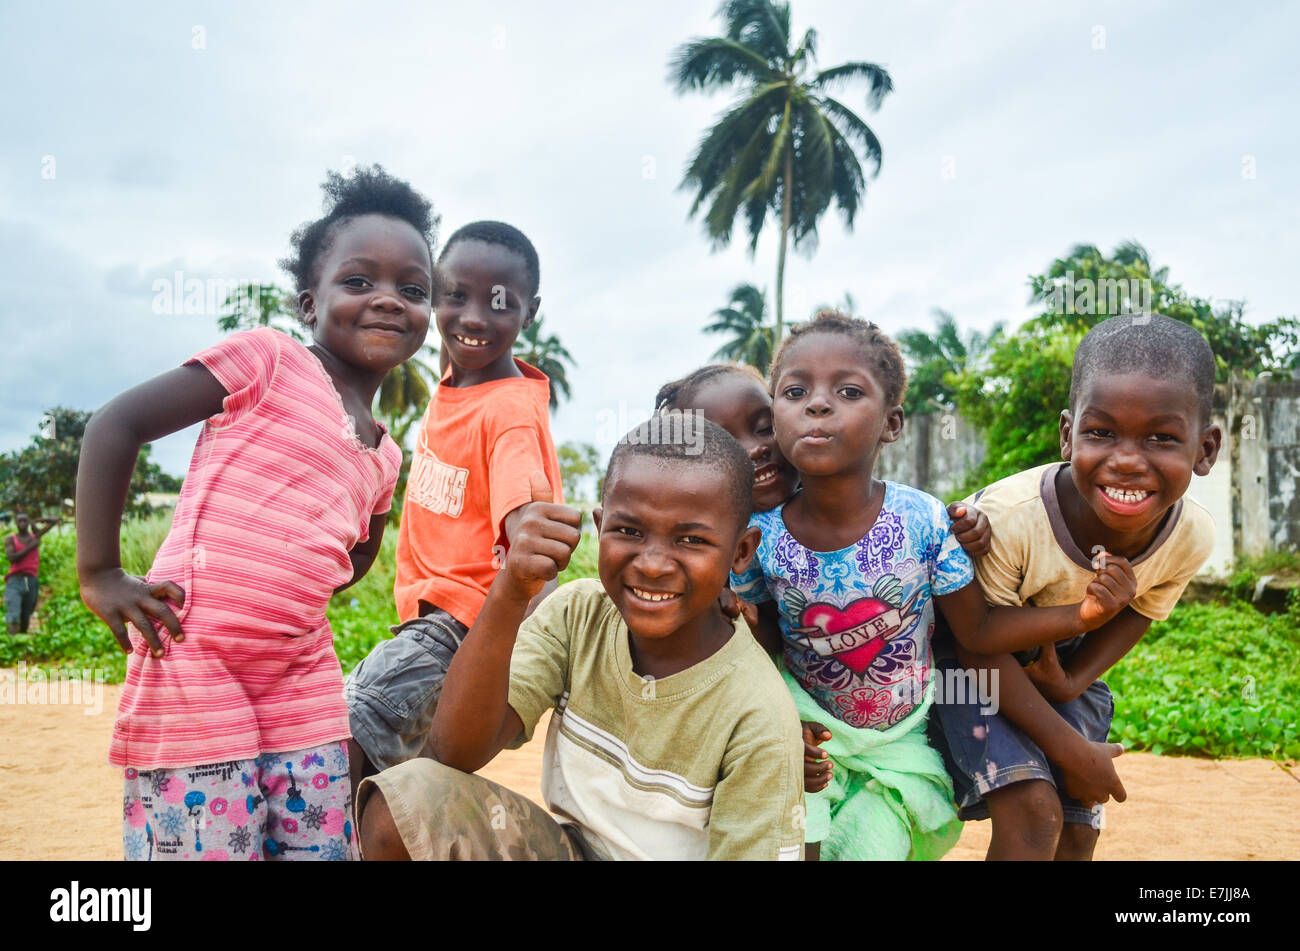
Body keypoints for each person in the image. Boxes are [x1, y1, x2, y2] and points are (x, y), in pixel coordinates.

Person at [76, 165, 438, 860]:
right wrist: (99, 572)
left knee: (320, 843)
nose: (388, 300)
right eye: (359, 281)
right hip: (196, 648)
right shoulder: (268, 361)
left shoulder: (388, 455)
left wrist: (292, 582)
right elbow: (114, 426)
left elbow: (356, 550)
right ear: (309, 302)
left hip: (300, 671)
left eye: (412, 289)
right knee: (209, 844)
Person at [731, 310, 1138, 861]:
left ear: (892, 424)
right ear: (776, 412)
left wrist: (1080, 616)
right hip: (810, 733)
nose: (818, 404)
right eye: (795, 390)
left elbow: (978, 628)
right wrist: (784, 717)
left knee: (873, 846)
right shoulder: (762, 535)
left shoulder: (923, 521)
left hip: (904, 740)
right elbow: (768, 644)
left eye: (848, 391)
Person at [358, 418, 806, 860]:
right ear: (599, 525)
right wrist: (511, 589)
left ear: (741, 551)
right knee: (405, 804)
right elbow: (454, 752)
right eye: (629, 531)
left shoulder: (757, 711)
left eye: (690, 540)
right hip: (570, 850)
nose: (652, 564)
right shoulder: (579, 615)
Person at [930, 313, 1221, 860]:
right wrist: (1071, 749)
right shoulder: (1010, 520)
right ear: (1068, 434)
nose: (1128, 460)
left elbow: (1143, 610)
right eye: (1101, 433)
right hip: (969, 662)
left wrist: (1071, 682)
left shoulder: (1192, 534)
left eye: (1162, 437)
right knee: (1034, 810)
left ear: (1205, 449)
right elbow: (974, 640)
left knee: (1077, 828)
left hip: (1062, 663)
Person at [655, 362, 992, 796]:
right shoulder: (699, 549)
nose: (753, 450)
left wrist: (970, 524)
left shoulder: (854, 510)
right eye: (724, 444)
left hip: (894, 721)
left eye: (763, 428)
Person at [344, 220, 564, 792]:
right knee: (400, 783)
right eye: (456, 296)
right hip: (433, 623)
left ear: (530, 311)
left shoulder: (508, 410)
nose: (473, 317)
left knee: (343, 731)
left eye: (499, 303)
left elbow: (525, 510)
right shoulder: (453, 386)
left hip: (461, 624)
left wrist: (525, 532)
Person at [5, 512, 59, 634]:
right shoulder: (11, 539)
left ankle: (22, 642)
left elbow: (55, 521)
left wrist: (37, 520)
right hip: (15, 580)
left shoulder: (35, 536)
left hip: (31, 581)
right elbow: (12, 558)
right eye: (20, 521)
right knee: (13, 615)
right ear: (16, 523)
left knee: (26, 616)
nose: (23, 524)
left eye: (25, 521)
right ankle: (12, 643)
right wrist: (31, 547)